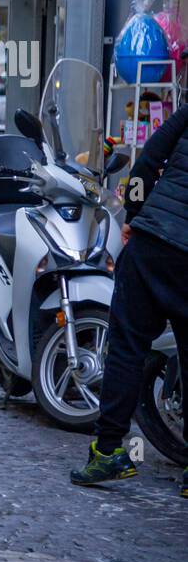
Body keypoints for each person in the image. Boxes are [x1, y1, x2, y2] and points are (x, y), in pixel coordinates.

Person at [71, 101, 188, 496]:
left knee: (125, 348)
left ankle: (107, 453)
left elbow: (144, 167)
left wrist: (134, 218)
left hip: (153, 243)